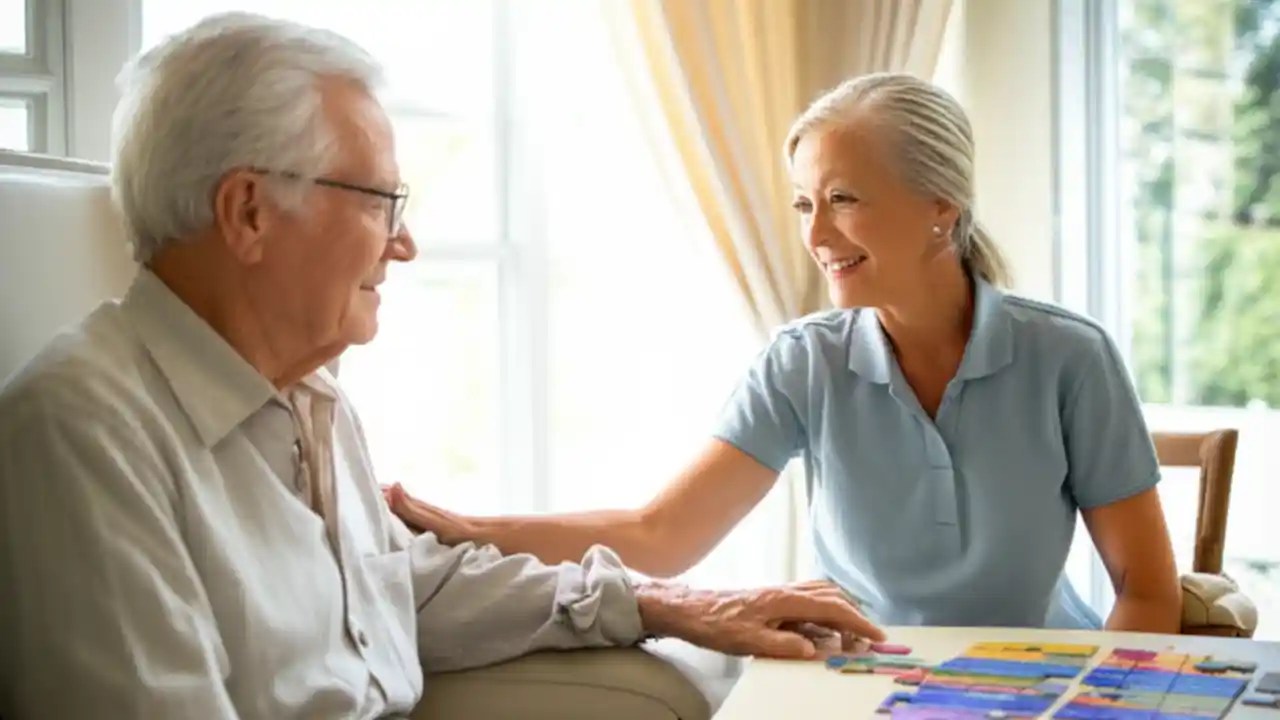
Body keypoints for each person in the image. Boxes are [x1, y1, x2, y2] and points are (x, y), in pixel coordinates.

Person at [0, 14, 881, 719]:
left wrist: (666, 605)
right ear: (250, 212)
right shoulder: (82, 430)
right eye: (381, 201)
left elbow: (394, 590)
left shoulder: (313, 403)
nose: (406, 244)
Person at [387, 72, 1184, 633]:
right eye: (805, 202)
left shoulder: (1069, 357)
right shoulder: (804, 362)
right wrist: (470, 526)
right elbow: (661, 534)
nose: (814, 235)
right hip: (869, 681)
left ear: (941, 208)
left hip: (1041, 678)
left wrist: (1098, 702)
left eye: (843, 200)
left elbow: (1146, 590)